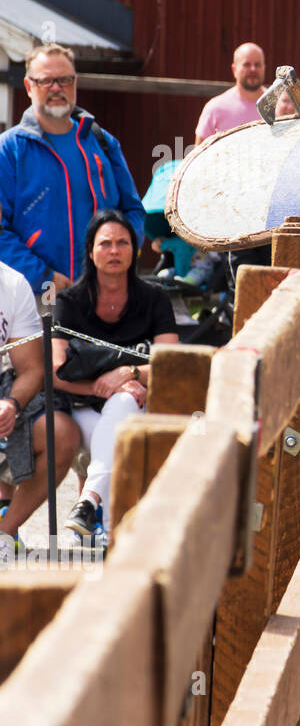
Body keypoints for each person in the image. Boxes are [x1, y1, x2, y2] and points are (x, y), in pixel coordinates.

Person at [52, 210, 179, 538]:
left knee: (123, 407)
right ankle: (106, 524)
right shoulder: (69, 301)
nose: (114, 250)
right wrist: (103, 387)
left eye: (123, 243)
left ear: (135, 250)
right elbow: (55, 374)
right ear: (91, 251)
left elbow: (172, 363)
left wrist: (130, 372)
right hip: (81, 407)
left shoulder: (154, 299)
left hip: (134, 405)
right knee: (121, 430)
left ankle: (89, 505)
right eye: (105, 243)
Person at [0, 44, 146, 293]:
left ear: (75, 83)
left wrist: (114, 262)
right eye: (47, 81)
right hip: (36, 297)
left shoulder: (103, 143)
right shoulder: (9, 150)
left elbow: (133, 211)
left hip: (102, 294)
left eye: (65, 80)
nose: (57, 88)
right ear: (28, 86)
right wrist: (42, 277)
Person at [0, 261, 82, 557]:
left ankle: (4, 535)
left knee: (62, 434)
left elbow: (33, 369)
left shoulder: (11, 283)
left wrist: (11, 403)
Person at [195, 43, 266, 144]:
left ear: (264, 68)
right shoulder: (215, 108)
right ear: (234, 69)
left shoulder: (280, 104)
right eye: (247, 64)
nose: (253, 69)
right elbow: (199, 155)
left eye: (257, 64)